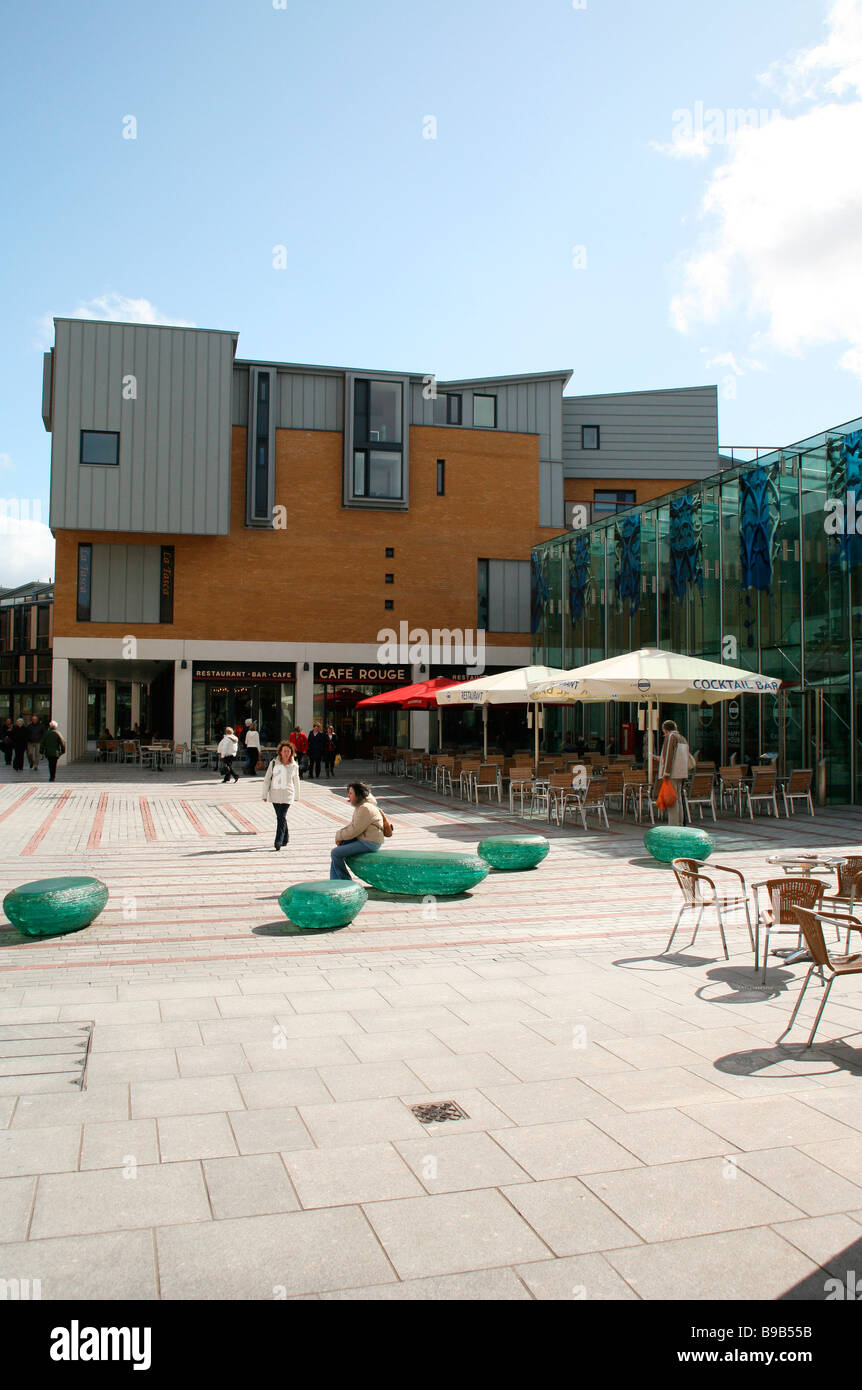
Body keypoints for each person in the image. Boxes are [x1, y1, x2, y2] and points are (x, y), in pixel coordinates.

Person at [330, 782, 385, 880]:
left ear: (358, 794)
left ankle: (344, 880)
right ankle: (335, 880)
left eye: (351, 793)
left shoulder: (365, 808)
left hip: (369, 842)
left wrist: (339, 835)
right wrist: (340, 835)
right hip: (365, 839)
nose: (348, 796)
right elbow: (353, 826)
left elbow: (354, 830)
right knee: (341, 846)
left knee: (336, 853)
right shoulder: (361, 806)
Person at [261, 740, 301, 850]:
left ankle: (278, 841)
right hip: (275, 794)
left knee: (281, 817)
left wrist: (297, 795)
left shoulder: (294, 765)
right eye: (284, 751)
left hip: (287, 794)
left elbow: (296, 780)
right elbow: (267, 779)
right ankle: (286, 837)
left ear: (291, 753)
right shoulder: (273, 763)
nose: (286, 753)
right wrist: (264, 794)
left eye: (288, 751)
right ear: (280, 752)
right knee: (281, 817)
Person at [657, 719, 692, 825]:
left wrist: (666, 773)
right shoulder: (682, 738)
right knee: (679, 799)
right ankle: (680, 822)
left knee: (672, 799)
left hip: (672, 773)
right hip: (681, 772)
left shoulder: (671, 737)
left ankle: (673, 824)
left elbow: (669, 755)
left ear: (665, 730)